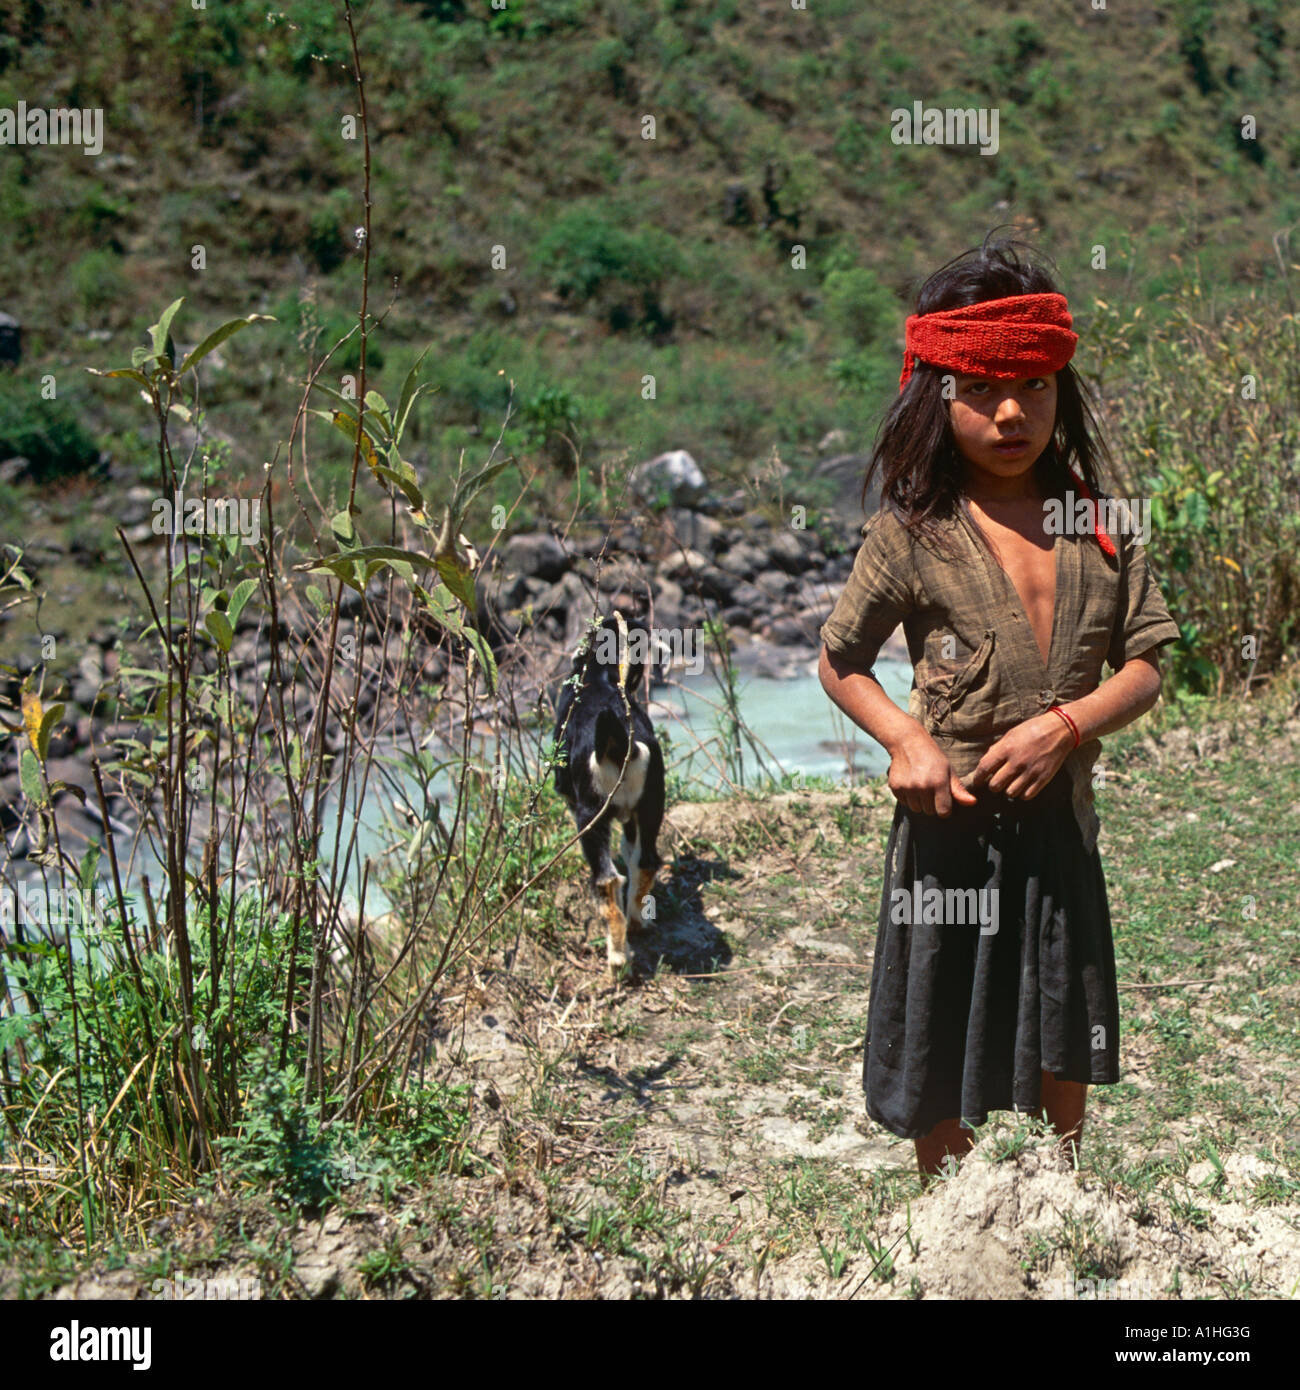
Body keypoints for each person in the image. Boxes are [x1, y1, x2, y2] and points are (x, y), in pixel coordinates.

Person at [818, 236, 1182, 1181]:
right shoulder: (912, 533)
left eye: (1035, 386)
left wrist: (1066, 726)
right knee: (942, 1028)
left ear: (1063, 388)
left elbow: (1146, 664)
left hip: (1060, 829)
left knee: (1064, 1016)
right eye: (982, 390)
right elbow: (840, 659)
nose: (1012, 412)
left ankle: (1058, 1200)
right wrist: (903, 738)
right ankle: (952, 1223)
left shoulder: (1102, 523)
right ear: (939, 397)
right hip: (949, 831)